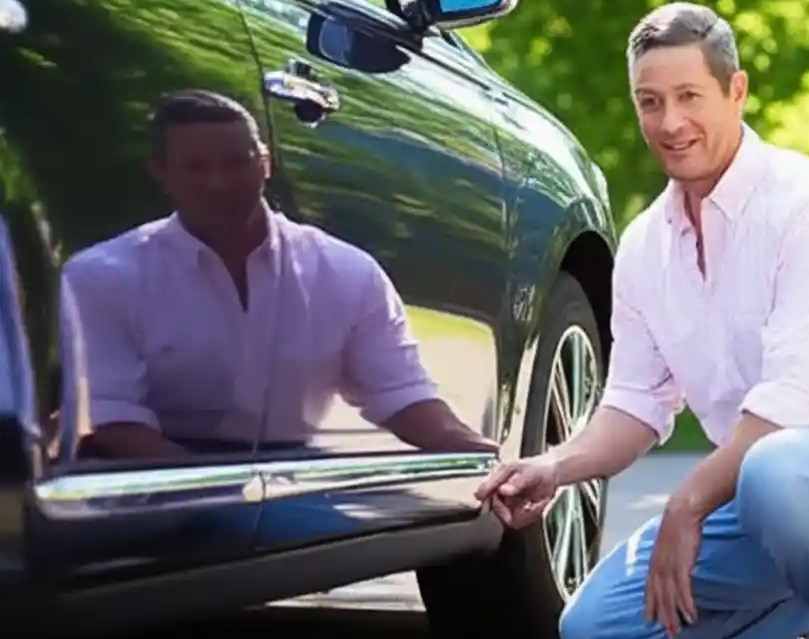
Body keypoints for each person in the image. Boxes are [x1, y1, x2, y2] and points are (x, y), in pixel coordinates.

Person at [474, 2, 809, 639]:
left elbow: (800, 406)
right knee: (596, 632)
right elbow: (635, 403)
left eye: (689, 95)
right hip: (758, 498)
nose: (669, 123)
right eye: (649, 101)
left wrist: (687, 504)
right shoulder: (643, 247)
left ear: (737, 91)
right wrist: (554, 466)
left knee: (782, 471)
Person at [61, 88, 495, 460]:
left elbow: (401, 393)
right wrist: (224, 501)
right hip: (150, 489)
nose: (218, 183)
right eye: (196, 167)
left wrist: (484, 455)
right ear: (161, 173)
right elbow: (111, 418)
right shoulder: (103, 277)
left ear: (265, 163)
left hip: (290, 479)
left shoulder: (346, 271)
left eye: (235, 163)